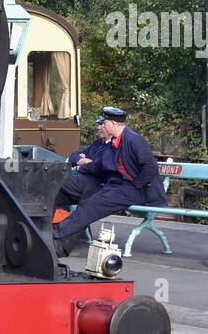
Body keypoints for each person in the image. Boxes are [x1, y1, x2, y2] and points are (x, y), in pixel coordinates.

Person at [53, 107, 167, 255]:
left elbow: (150, 167)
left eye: (104, 122)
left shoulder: (133, 140)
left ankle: (56, 235)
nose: (102, 126)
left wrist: (137, 185)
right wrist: (81, 168)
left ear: (113, 123)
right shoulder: (115, 142)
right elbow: (100, 165)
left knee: (91, 206)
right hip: (117, 186)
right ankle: (57, 237)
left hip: (136, 190)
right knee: (87, 203)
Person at [55, 116, 111, 214]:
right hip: (83, 182)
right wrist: (85, 161)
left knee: (56, 183)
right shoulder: (98, 143)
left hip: (96, 186)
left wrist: (83, 163)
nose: (98, 128)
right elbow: (73, 156)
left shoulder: (113, 147)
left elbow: (97, 168)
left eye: (102, 124)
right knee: (54, 191)